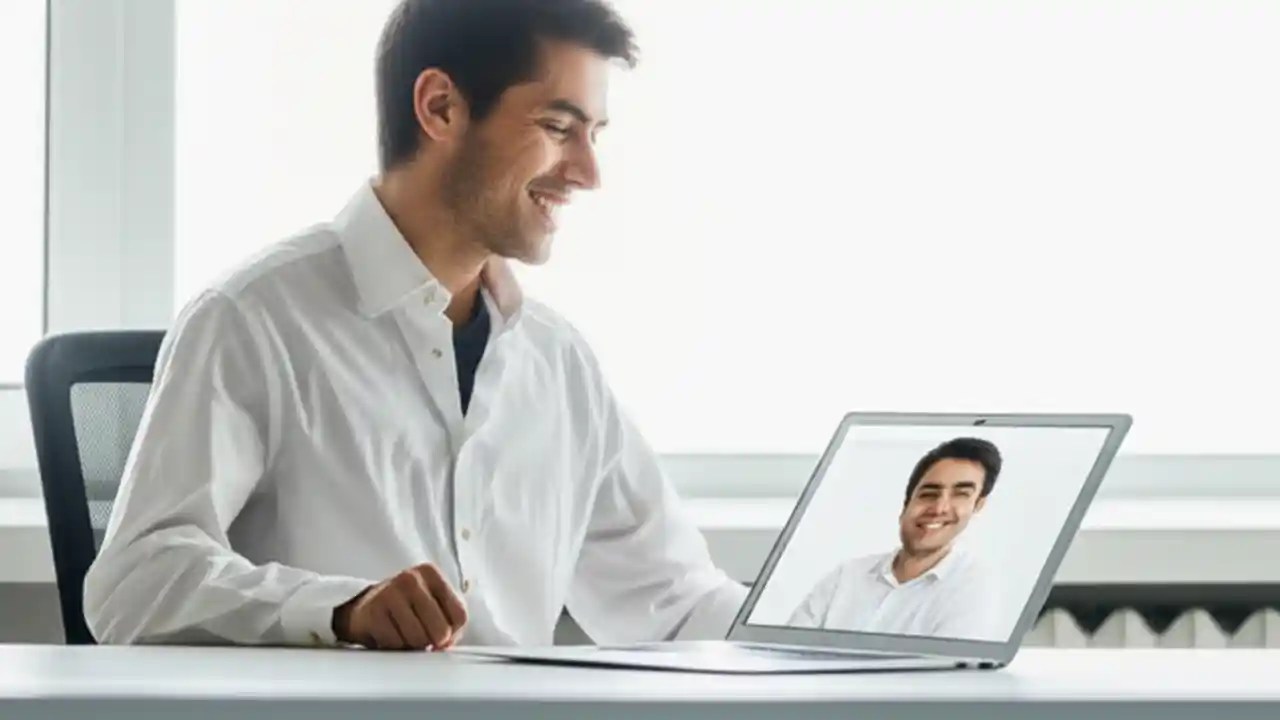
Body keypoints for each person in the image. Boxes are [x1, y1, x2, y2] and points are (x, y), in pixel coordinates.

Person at [84, 0, 746, 651]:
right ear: (440, 107)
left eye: (594, 134)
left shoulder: (560, 364)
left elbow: (679, 607)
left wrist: (833, 610)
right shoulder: (254, 321)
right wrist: (341, 609)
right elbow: (133, 585)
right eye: (557, 126)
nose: (589, 173)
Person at [787, 438, 1003, 640]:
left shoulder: (974, 589)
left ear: (977, 506)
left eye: (960, 494)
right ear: (906, 505)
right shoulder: (846, 576)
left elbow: (941, 676)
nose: (939, 508)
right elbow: (786, 652)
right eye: (929, 493)